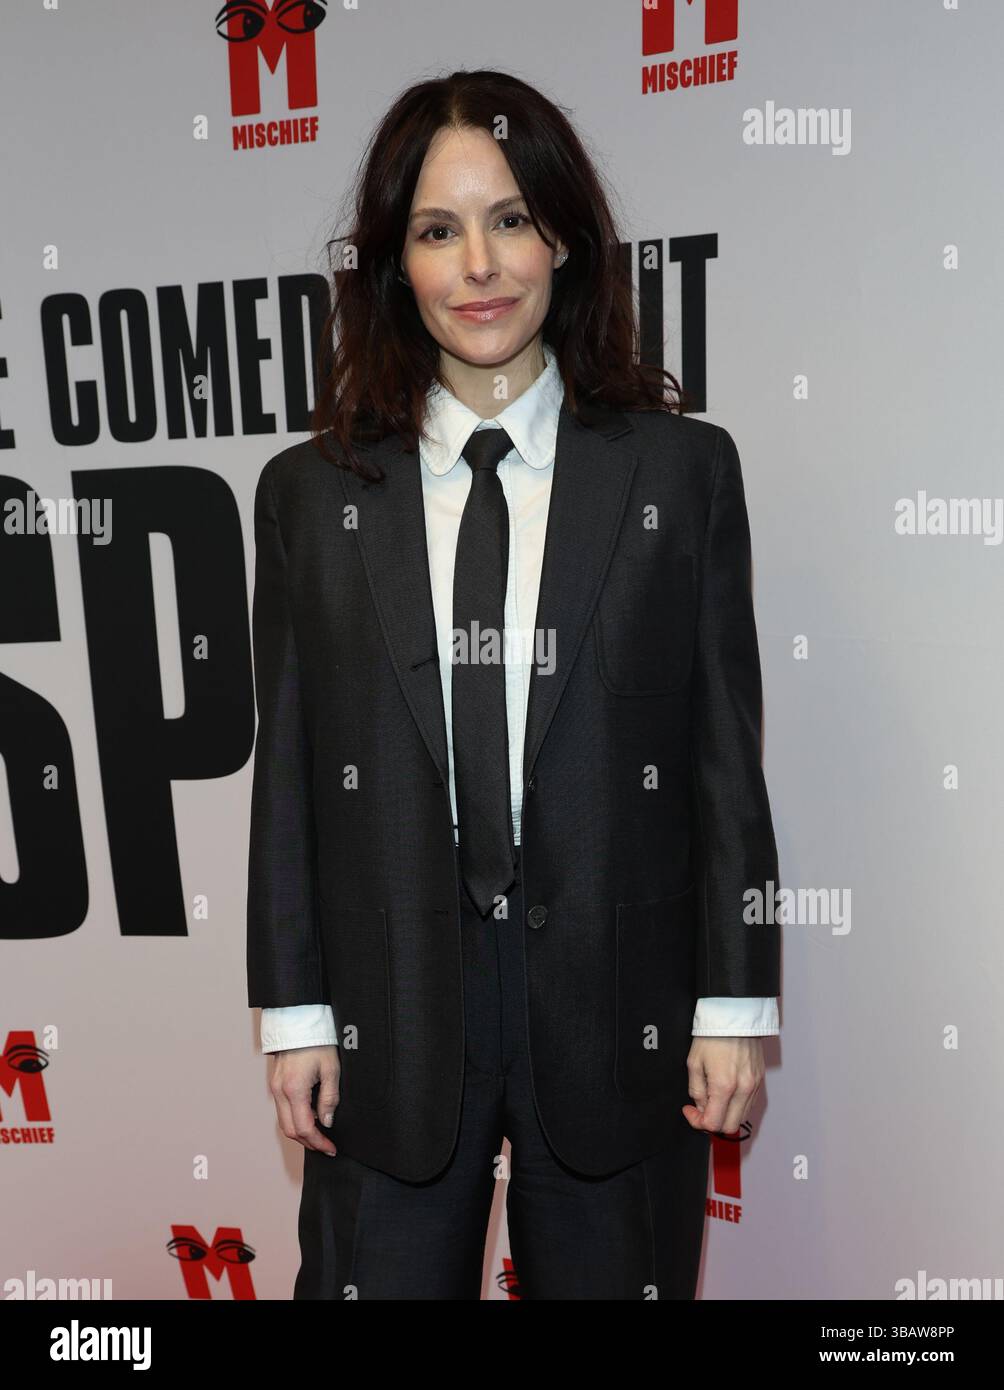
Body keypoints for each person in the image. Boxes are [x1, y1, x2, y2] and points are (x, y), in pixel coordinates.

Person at [247, 69, 781, 1300]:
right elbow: (291, 776)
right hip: (391, 1011)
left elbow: (720, 753)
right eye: (438, 230)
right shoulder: (310, 494)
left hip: (617, 1006)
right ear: (392, 261)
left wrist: (736, 998)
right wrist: (293, 1015)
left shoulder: (678, 470)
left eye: (511, 219)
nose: (478, 265)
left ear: (565, 239)